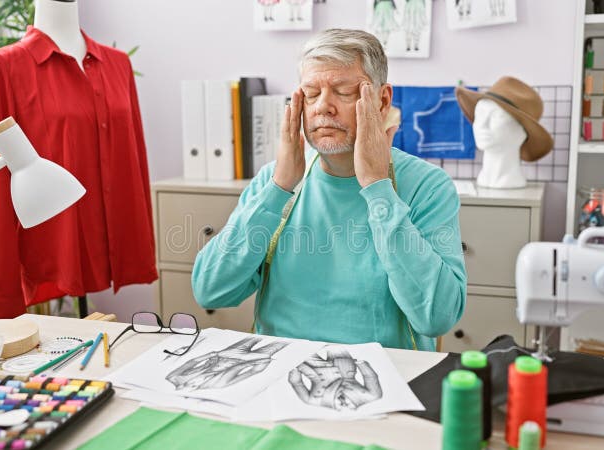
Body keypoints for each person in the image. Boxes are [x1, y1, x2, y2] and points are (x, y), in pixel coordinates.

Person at [192, 29, 466, 351]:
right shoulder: (275, 180)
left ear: (382, 100)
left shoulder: (427, 187)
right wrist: (278, 189)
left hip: (385, 375)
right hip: (280, 369)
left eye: (343, 91)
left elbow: (437, 317)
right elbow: (210, 290)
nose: (324, 106)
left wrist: (379, 189)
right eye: (310, 93)